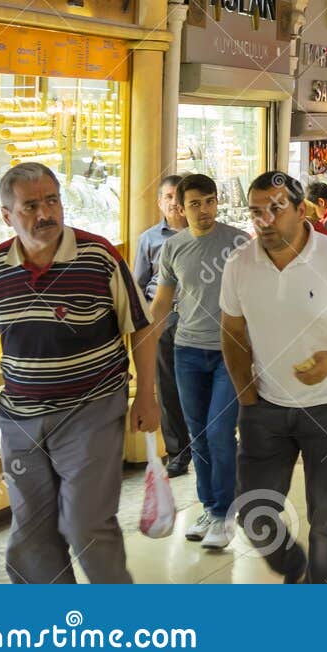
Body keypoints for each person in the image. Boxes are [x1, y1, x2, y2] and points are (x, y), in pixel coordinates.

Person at [0, 163, 159, 583]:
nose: (46, 213)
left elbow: (142, 326)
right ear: (6, 215)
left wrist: (147, 396)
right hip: (21, 418)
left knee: (87, 523)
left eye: (52, 200)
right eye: (31, 206)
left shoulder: (98, 256)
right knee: (31, 528)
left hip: (92, 410)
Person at [220, 172, 327, 584]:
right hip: (265, 408)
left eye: (276, 209)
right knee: (253, 512)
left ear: (301, 211)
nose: (266, 220)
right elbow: (232, 331)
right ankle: (295, 570)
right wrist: (245, 390)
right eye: (257, 212)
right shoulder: (240, 263)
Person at [153, 173, 249, 549]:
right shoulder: (173, 247)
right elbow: (163, 301)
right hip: (187, 351)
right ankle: (209, 507)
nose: (204, 210)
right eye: (195, 204)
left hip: (229, 351)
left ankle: (225, 514)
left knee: (220, 433)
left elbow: (255, 296)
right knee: (198, 436)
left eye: (209, 201)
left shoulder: (238, 242)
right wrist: (143, 340)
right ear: (180, 206)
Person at [133, 173, 190, 478]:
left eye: (179, 197)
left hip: (199, 321)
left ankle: (207, 445)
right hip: (164, 321)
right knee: (167, 389)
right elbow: (139, 285)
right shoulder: (150, 239)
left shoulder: (202, 234)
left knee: (199, 385)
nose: (174, 203)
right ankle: (178, 453)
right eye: (167, 197)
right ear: (159, 202)